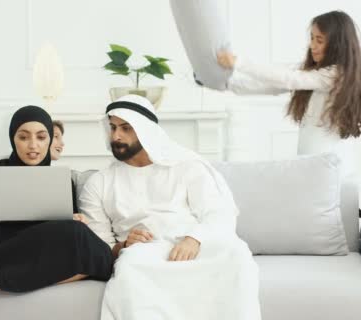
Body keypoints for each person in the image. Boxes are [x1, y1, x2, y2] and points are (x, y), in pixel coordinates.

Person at [79, 95, 260, 320]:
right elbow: (100, 249)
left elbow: (219, 213)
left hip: (195, 247)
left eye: (126, 128)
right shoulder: (99, 183)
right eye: (113, 127)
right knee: (129, 267)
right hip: (144, 256)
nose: (116, 136)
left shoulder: (187, 166)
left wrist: (194, 239)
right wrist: (124, 244)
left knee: (236, 253)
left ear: (146, 130)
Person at [0, 106, 113, 303]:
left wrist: (74, 217)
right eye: (23, 137)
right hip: (2, 245)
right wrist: (14, 213)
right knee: (84, 248)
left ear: (49, 141)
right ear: (13, 139)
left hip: (40, 247)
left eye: (41, 137)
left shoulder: (61, 180)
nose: (33, 145)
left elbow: (62, 233)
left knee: (86, 241)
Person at [217, 10, 361, 182]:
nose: (313, 46)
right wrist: (227, 84)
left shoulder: (336, 75)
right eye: (312, 38)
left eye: (320, 40)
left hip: (331, 174)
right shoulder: (315, 76)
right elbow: (272, 86)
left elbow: (289, 79)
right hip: (314, 168)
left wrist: (239, 62)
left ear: (337, 45)